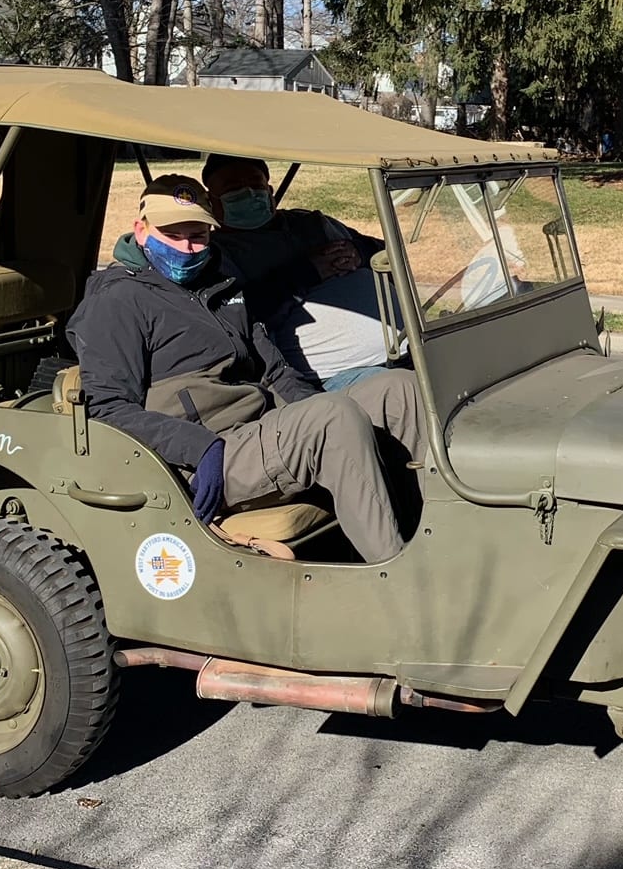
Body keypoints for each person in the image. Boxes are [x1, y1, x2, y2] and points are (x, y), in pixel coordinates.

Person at [65, 175, 423, 564]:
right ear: (141, 230)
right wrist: (198, 448)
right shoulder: (117, 300)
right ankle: (396, 577)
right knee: (332, 419)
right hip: (203, 452)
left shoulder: (221, 284)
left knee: (399, 390)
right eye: (173, 234)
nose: (187, 247)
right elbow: (108, 409)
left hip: (258, 428)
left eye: (198, 235)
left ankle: (435, 539)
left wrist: (308, 408)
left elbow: (275, 372)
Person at [201, 154, 397, 391]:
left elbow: (387, 253)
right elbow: (237, 314)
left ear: (270, 191)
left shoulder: (311, 223)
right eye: (234, 189)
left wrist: (359, 252)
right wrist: (306, 273)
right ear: (210, 202)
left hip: (405, 346)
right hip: (329, 377)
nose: (249, 193)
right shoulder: (216, 253)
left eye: (256, 185)